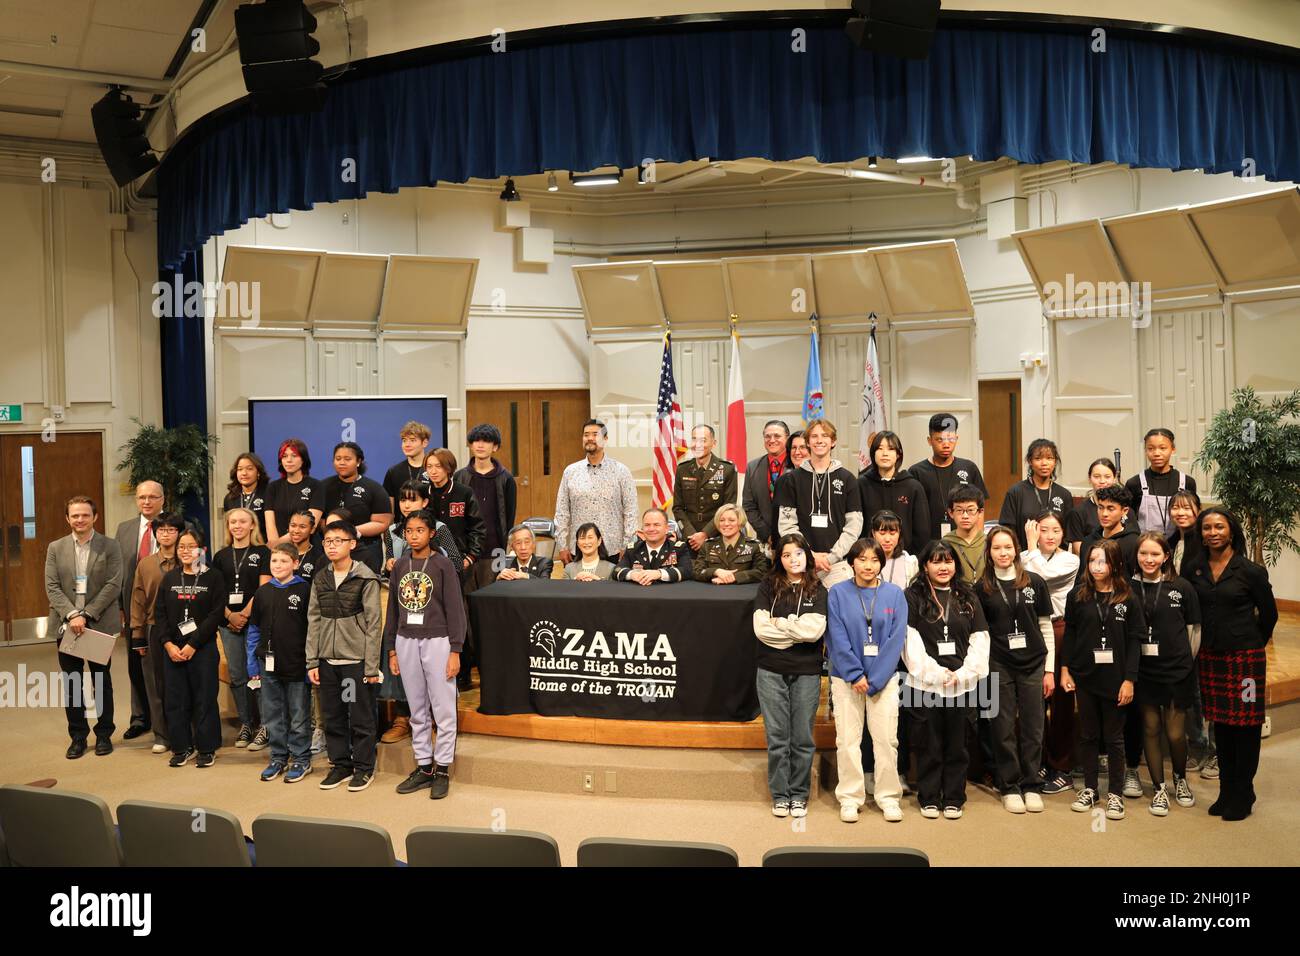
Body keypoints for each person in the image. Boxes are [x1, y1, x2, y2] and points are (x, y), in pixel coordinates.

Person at [1183, 508, 1277, 821]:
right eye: (1207, 527)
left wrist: (1250, 644)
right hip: (1210, 657)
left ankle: (1243, 790)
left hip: (1245, 661)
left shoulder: (1250, 571)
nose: (1213, 532)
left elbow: (1269, 615)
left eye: (1219, 527)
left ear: (1231, 531)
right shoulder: (1194, 568)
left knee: (1247, 726)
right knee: (1220, 725)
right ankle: (1226, 790)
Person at [900, 540, 991, 819]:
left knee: (957, 744)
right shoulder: (912, 596)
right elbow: (909, 642)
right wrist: (937, 674)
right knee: (928, 744)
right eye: (936, 561)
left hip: (962, 684)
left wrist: (963, 675)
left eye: (948, 561)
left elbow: (980, 639)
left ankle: (953, 797)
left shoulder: (967, 595)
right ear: (925, 565)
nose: (943, 567)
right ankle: (929, 796)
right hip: (923, 684)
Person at [1061, 539, 1145, 821]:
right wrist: (1065, 669)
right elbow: (1071, 634)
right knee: (1088, 734)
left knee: (1114, 738)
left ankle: (1116, 794)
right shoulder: (1077, 596)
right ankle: (1091, 788)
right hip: (1085, 676)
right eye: (1092, 560)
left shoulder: (1128, 597)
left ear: (1115, 564)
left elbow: (1135, 641)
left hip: (1116, 679)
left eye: (1103, 561)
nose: (1097, 566)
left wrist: (1130, 680)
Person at [386, 508, 466, 800]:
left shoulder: (443, 565)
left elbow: (456, 610)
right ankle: (424, 767)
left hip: (438, 640)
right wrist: (392, 649)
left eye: (420, 530)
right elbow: (393, 611)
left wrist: (455, 650)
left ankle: (442, 768)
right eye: (409, 531)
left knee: (443, 709)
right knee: (417, 710)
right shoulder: (399, 565)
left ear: (432, 533)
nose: (414, 535)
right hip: (407, 640)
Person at [828, 539, 909, 823]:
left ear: (881, 563)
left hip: (883, 680)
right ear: (852, 562)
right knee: (848, 740)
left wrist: (874, 679)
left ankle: (888, 797)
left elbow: (895, 639)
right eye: (862, 559)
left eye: (874, 560)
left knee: (886, 740)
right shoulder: (837, 593)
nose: (868, 565)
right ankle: (850, 797)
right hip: (845, 679)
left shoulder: (895, 594)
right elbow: (836, 637)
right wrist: (854, 674)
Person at [978, 526, 1055, 814]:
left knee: (1034, 727)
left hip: (1034, 663)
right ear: (989, 552)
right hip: (998, 664)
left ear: (1017, 549)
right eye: (997, 548)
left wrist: (1049, 670)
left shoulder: (1035, 582)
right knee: (1002, 726)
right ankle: (1009, 784)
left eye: (1008, 547)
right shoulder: (982, 588)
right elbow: (980, 634)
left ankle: (1032, 784)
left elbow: (1045, 626)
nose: (1003, 553)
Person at [753, 534, 828, 819]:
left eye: (798, 553)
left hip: (806, 671)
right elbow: (761, 629)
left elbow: (814, 632)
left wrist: (780, 625)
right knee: (777, 736)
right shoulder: (767, 586)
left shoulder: (819, 589)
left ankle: (799, 794)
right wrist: (795, 627)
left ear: (807, 556)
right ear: (779, 559)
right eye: (786, 555)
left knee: (802, 737)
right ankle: (780, 795)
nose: (793, 559)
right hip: (770, 668)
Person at [307, 521, 384, 793]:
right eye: (328, 541)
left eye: (338, 540)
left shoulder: (365, 577)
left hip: (356, 662)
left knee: (360, 717)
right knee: (333, 716)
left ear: (352, 544)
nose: (332, 545)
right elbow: (313, 619)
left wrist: (371, 665)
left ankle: (364, 768)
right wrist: (312, 661)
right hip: (327, 660)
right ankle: (341, 765)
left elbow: (374, 625)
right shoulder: (321, 577)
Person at [46, 495, 123, 759]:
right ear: (67, 518)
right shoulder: (55, 547)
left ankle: (104, 734)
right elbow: (52, 587)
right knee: (73, 682)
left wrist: (87, 614)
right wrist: (71, 614)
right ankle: (78, 736)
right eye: (75, 515)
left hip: (99, 623)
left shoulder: (110, 546)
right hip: (66, 625)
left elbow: (114, 584)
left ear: (95, 517)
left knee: (101, 682)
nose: (80, 519)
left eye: (85, 515)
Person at [1131, 531, 1202, 816]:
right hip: (1144, 671)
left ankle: (1180, 780)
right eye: (1144, 554)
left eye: (1155, 554)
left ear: (1166, 556)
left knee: (1174, 733)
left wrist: (1185, 661)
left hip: (1176, 671)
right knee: (1150, 728)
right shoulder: (1127, 587)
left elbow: (1193, 630)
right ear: (1136, 556)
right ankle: (1159, 788)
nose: (1149, 559)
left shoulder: (1181, 587)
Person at [155, 526, 227, 768]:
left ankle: (206, 748)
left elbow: (216, 614)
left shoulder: (213, 577)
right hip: (173, 650)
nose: (185, 551)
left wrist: (194, 644)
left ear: (202, 550)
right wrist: (167, 644)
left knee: (204, 698)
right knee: (175, 699)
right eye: (181, 547)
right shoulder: (170, 578)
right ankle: (181, 746)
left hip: (202, 649)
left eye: (190, 546)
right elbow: (160, 614)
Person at [1020, 511, 1080, 794]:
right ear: (1036, 530)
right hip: (1032, 630)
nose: (1050, 536)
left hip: (1061, 628)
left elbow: (1038, 580)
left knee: (1062, 700)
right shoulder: (1020, 555)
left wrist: (1031, 548)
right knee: (1034, 699)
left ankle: (1062, 766)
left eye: (1056, 530)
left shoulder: (1071, 560)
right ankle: (1040, 759)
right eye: (1044, 530)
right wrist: (1029, 550)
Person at [245, 543, 314, 783]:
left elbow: (312, 629)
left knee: (298, 714)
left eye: (284, 561)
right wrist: (252, 663)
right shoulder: (263, 592)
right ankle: (278, 757)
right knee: (273, 713)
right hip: (268, 663)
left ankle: (301, 758)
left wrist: (311, 663)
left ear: (296, 564)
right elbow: (253, 629)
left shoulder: (305, 589)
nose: (278, 566)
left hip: (297, 663)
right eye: (274, 561)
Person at [775, 418, 863, 588]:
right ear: (808, 442)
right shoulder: (792, 480)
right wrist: (809, 555)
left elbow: (854, 526)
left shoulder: (848, 479)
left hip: (836, 565)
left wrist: (832, 557)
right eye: (814, 436)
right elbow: (786, 525)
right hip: (800, 564)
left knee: (837, 613)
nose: (819, 440)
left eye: (825, 435)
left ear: (833, 441)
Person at [211, 507, 271, 750]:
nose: (237, 525)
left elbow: (264, 587)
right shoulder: (221, 555)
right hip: (228, 623)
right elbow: (214, 591)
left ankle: (265, 725)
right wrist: (229, 615)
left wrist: (245, 613)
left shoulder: (263, 552)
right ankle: (246, 723)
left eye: (242, 521)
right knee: (238, 676)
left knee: (258, 674)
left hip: (254, 622)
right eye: (232, 522)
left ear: (252, 525)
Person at [113, 480, 165, 743]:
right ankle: (140, 718)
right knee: (136, 663)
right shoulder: (124, 529)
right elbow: (118, 572)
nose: (147, 502)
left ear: (162, 501)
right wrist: (120, 608)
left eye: (152, 497)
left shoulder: (177, 527)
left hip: (165, 607)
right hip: (134, 608)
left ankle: (163, 720)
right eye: (142, 497)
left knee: (160, 666)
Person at [129, 512, 185, 755]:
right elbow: (137, 600)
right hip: (153, 628)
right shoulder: (146, 564)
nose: (166, 534)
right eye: (161, 530)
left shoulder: (190, 560)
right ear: (155, 534)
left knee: (183, 682)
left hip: (184, 629)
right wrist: (137, 634)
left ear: (179, 533)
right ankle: (162, 734)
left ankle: (185, 731)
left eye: (171, 530)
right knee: (156, 685)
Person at [554, 419, 639, 563]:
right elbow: (562, 512)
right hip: (579, 549)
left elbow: (631, 512)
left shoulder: (621, 471)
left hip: (614, 549)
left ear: (605, 439)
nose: (590, 438)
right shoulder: (570, 472)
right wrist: (562, 545)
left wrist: (627, 546)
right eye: (586, 435)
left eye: (595, 434)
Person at [310, 441, 392, 573]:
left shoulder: (374, 488)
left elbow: (383, 522)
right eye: (338, 459)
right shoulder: (322, 487)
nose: (342, 462)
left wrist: (350, 531)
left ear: (358, 461)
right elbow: (316, 519)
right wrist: (335, 533)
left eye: (347, 459)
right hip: (330, 548)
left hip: (366, 548)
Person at [454, 423, 518, 583]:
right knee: (466, 600)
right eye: (476, 441)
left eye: (486, 441)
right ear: (470, 444)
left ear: (495, 447)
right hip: (465, 551)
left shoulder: (506, 478)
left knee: (493, 597)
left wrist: (505, 546)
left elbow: (509, 516)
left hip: (495, 549)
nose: (480, 445)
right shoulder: (459, 477)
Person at [909, 413, 988, 541]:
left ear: (956, 438)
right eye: (939, 440)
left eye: (950, 439)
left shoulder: (969, 468)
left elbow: (980, 509)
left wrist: (978, 542)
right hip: (930, 544)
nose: (946, 444)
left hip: (965, 542)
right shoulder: (916, 472)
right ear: (929, 440)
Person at [857, 430, 930, 556]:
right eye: (880, 449)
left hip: (905, 560)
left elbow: (922, 532)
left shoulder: (913, 486)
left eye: (891, 449)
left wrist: (913, 561)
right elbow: (856, 527)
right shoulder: (861, 485)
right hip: (868, 558)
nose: (885, 453)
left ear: (898, 455)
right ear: (873, 454)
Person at [998, 439, 1075, 552]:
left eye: (1049, 458)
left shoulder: (1064, 494)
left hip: (1055, 561)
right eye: (1038, 458)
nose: (1044, 463)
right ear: (1030, 461)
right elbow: (1008, 530)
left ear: (1055, 461)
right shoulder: (1016, 492)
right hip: (1024, 557)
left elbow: (1068, 533)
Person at [673, 424, 738, 552]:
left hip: (718, 536)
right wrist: (691, 535)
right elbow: (677, 508)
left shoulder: (726, 469)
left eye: (703, 440)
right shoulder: (682, 469)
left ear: (713, 443)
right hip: (689, 539)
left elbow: (728, 507)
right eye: (694, 439)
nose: (697, 444)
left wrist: (705, 534)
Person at [1125, 428, 1198, 535]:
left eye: (1163, 448)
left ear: (1173, 449)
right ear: (1145, 451)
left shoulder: (1187, 482)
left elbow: (1193, 517)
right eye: (1151, 448)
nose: (1157, 453)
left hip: (1179, 544)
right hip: (1145, 546)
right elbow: (1127, 519)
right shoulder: (1134, 483)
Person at [424, 448, 483, 576]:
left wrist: (470, 558)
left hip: (458, 559)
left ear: (448, 468)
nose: (433, 471)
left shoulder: (464, 492)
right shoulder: (422, 493)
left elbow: (478, 528)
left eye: (438, 466)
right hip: (426, 559)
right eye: (429, 467)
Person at [1073, 485, 1140, 585]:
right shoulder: (1088, 541)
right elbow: (1082, 579)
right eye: (1100, 507)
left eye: (1110, 508)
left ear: (1124, 511)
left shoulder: (1133, 543)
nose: (1104, 513)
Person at [742, 420, 791, 547]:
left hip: (795, 539)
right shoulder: (752, 467)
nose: (772, 440)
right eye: (767, 436)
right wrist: (767, 534)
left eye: (777, 436)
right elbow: (748, 505)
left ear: (787, 438)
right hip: (765, 541)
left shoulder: (797, 465)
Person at [693, 504, 770, 584]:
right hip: (713, 592)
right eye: (722, 520)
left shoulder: (753, 545)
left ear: (740, 523)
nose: (726, 524)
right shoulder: (708, 545)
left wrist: (735, 577)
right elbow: (696, 572)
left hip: (741, 593)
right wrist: (716, 571)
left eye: (731, 520)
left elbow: (762, 572)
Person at [613, 509, 693, 584]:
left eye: (656, 525)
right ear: (642, 528)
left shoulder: (678, 548)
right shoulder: (633, 549)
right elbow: (617, 570)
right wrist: (632, 574)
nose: (651, 529)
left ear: (666, 529)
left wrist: (659, 574)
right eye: (647, 525)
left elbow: (687, 571)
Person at [264, 438, 320, 547]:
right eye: (284, 456)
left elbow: (310, 524)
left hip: (306, 548)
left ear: (303, 459)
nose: (289, 460)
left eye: (294, 456)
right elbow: (270, 524)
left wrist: (276, 544)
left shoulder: (316, 486)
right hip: (278, 550)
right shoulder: (273, 487)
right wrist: (276, 548)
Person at [1065, 457, 1118, 554]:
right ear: (1089, 479)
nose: (1102, 481)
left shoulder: (1124, 510)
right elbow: (1078, 550)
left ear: (1114, 479)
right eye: (1097, 476)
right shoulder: (1078, 512)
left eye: (1107, 476)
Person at [383, 421, 434, 511]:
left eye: (412, 440)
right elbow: (389, 511)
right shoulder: (394, 472)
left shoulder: (434, 470)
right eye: (404, 440)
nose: (407, 444)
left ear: (425, 443)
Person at [942, 484, 987, 585]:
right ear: (951, 512)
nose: (965, 516)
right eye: (959, 510)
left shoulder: (990, 542)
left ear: (980, 512)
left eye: (970, 510)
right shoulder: (945, 544)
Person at [223, 452, 271, 540]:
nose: (244, 473)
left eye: (249, 469)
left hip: (263, 546)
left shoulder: (268, 493)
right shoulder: (229, 498)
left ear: (258, 472)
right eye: (240, 469)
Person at [871, 510, 918, 589]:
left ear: (899, 533)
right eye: (882, 533)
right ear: (873, 533)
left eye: (892, 533)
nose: (887, 539)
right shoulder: (864, 561)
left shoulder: (910, 562)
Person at [1167, 489, 1204, 575]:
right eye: (1175, 508)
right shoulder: (1170, 542)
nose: (1180, 513)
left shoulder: (1204, 542)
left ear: (1199, 511)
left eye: (1187, 508)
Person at [285, 510, 326, 581]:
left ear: (312, 529)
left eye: (302, 527)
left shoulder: (319, 558)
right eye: (293, 526)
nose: (296, 531)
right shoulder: (280, 552)